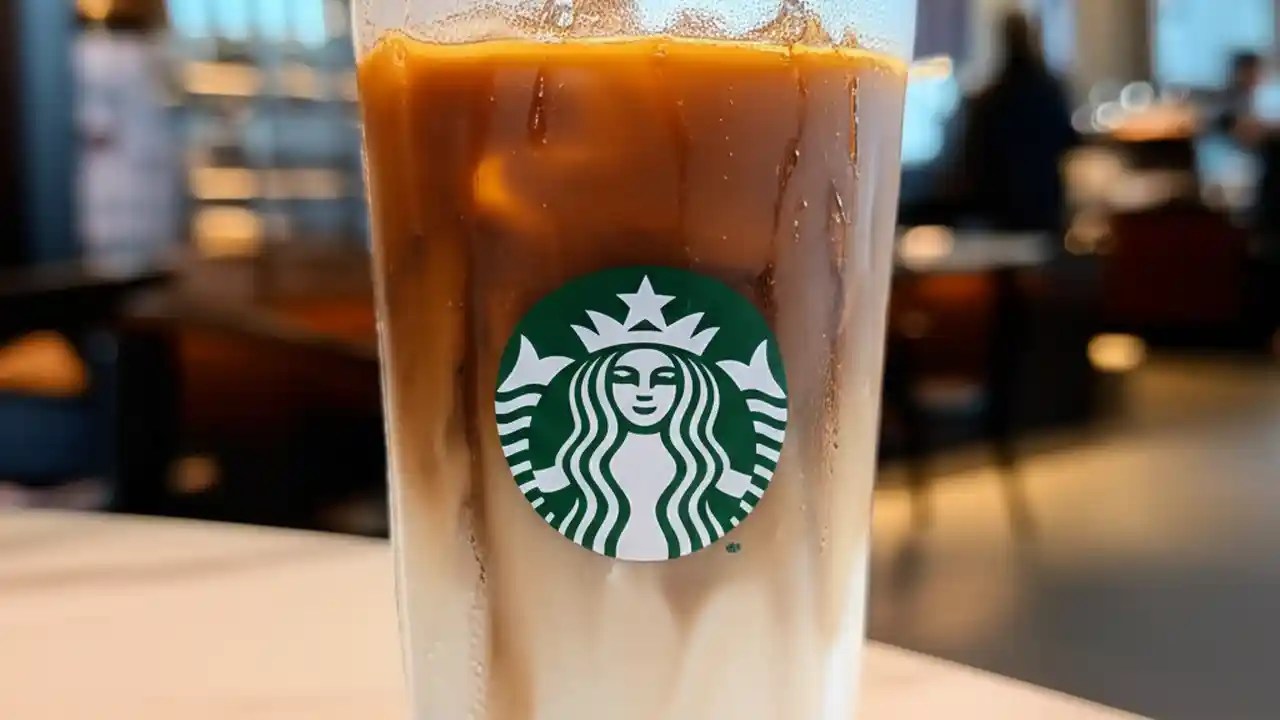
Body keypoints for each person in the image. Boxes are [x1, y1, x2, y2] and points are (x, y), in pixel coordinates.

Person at [960, 11, 1078, 232]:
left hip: (1002, 213)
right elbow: (1068, 141)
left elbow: (974, 159)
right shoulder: (1052, 91)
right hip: (1044, 208)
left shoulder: (990, 98)